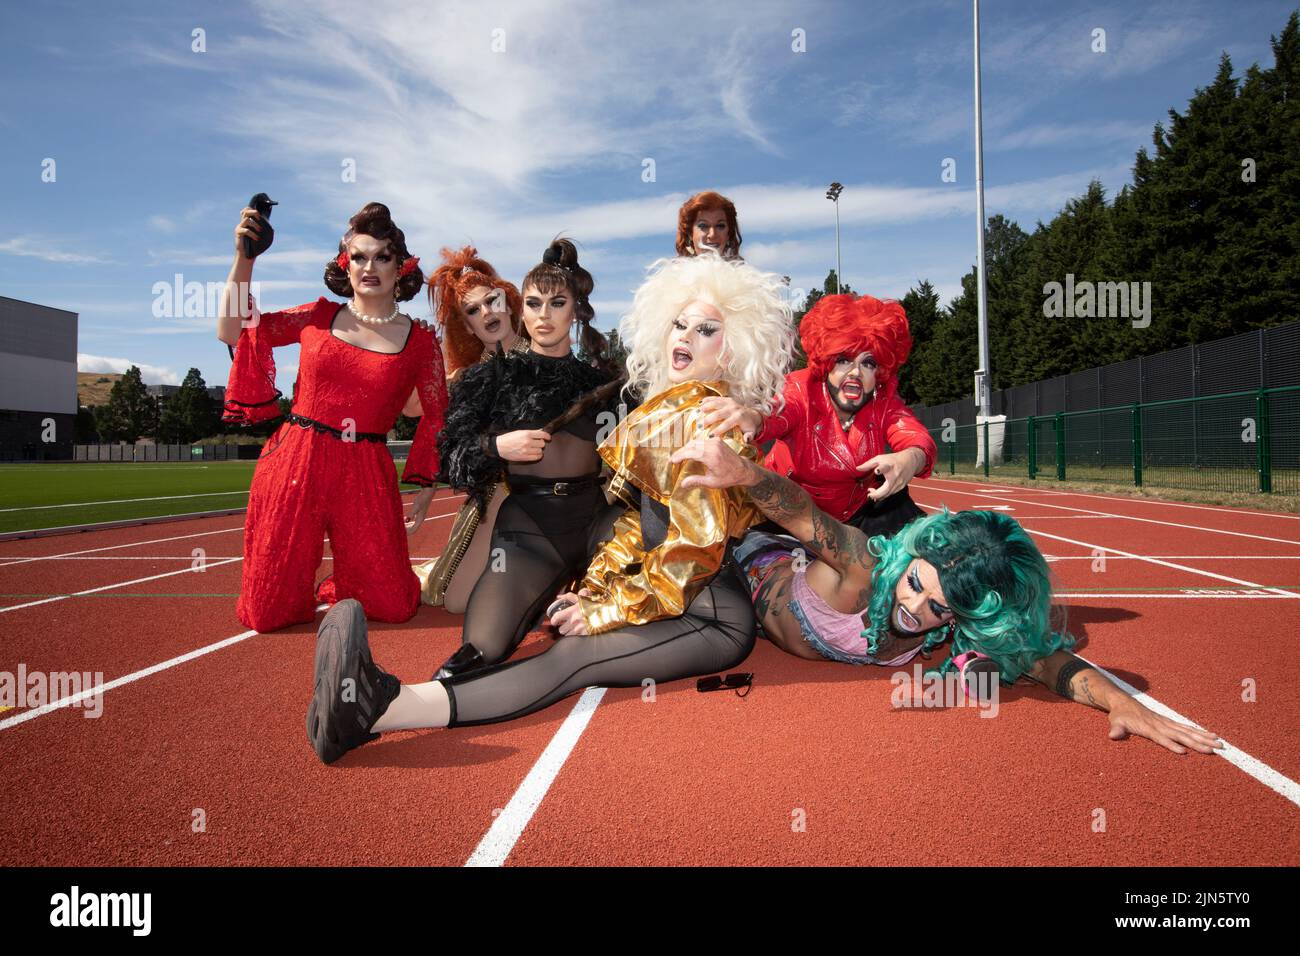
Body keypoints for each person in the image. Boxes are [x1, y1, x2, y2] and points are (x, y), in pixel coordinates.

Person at [305, 252, 795, 764]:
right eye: (679, 324)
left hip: (710, 615)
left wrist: (604, 607)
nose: (686, 336)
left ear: (734, 347)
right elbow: (646, 524)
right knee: (520, 648)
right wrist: (603, 584)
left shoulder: (703, 421)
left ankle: (379, 708)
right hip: (588, 555)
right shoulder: (663, 409)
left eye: (707, 329)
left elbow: (687, 556)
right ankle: (384, 707)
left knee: (571, 660)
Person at [670, 435, 1225, 755]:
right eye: (916, 583)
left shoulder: (959, 624)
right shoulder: (866, 566)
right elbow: (801, 513)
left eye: (939, 608)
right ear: (909, 558)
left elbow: (1043, 660)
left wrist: (1124, 702)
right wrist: (742, 471)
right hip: (751, 563)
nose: (913, 608)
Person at [217, 201, 447, 633]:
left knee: (393, 606)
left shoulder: (420, 343)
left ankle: (349, 580)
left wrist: (426, 486)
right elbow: (232, 331)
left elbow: (435, 414)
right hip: (296, 460)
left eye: (382, 256)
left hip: (365, 469)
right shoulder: (318, 316)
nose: (369, 267)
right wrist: (243, 259)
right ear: (345, 264)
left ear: (402, 266)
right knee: (267, 615)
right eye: (358, 256)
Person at [429, 238, 618, 678]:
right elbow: (449, 454)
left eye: (557, 302)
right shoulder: (488, 379)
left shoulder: (607, 383)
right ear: (522, 309)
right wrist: (498, 447)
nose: (544, 314)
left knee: (671, 600)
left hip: (599, 525)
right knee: (481, 647)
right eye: (534, 303)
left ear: (576, 311)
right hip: (529, 530)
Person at [701, 293, 936, 539]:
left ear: (879, 372)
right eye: (844, 360)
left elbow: (915, 436)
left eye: (868, 363)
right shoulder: (802, 388)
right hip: (794, 512)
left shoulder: (882, 400)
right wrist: (755, 418)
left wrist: (911, 458)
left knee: (929, 543)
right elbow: (780, 410)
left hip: (862, 512)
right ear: (826, 363)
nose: (855, 371)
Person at [415, 246, 530, 611]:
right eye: (473, 310)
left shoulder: (547, 354)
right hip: (492, 494)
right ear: (466, 325)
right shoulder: (465, 378)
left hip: (547, 495)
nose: (487, 313)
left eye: (491, 301)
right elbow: (419, 415)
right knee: (451, 600)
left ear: (508, 303)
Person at [676, 190, 743, 260]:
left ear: (729, 233)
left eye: (720, 226)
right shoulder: (673, 271)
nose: (712, 234)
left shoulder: (745, 271)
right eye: (703, 226)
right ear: (690, 233)